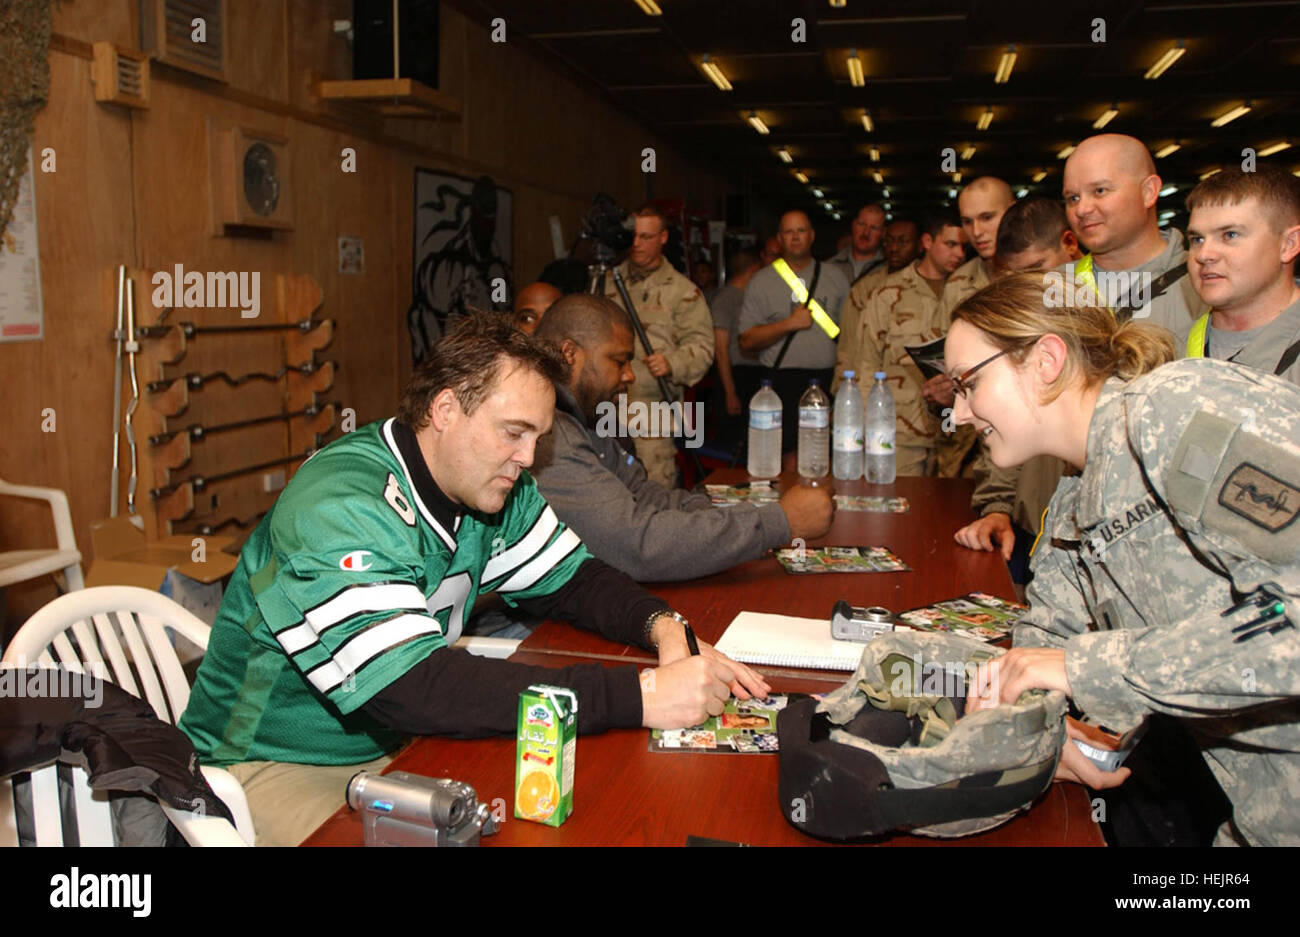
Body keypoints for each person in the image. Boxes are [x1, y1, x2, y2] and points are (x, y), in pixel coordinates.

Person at [179, 315, 766, 846]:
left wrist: (662, 626)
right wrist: (640, 697)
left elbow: (575, 580)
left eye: (538, 436)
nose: (529, 457)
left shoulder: (491, 485)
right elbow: (413, 686)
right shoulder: (339, 504)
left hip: (394, 743)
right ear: (444, 410)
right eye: (514, 432)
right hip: (265, 764)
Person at [950, 271, 1300, 846]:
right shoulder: (1075, 499)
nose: (960, 414)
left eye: (969, 384)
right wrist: (1043, 725)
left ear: (1046, 360)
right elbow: (1045, 642)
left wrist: (1082, 670)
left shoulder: (1174, 410)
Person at [957, 134, 1204, 567]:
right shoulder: (1050, 291)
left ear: (1150, 191)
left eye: (1100, 191)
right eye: (1072, 196)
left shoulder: (1203, 289)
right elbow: (1004, 400)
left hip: (1161, 545)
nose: (1083, 207)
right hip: (1049, 529)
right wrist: (997, 503)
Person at [526, 293, 832, 580]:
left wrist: (752, 520)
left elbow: (647, 498)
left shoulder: (584, 419)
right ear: (569, 354)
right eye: (619, 361)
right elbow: (637, 544)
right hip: (523, 626)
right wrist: (780, 523)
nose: (630, 375)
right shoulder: (549, 434)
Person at [954, 198, 1082, 573]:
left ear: (1070, 245)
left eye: (1039, 268)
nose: (1032, 282)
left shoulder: (1099, 315)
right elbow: (1003, 422)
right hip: (1030, 522)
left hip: (1086, 531)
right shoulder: (1024, 317)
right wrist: (997, 506)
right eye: (1016, 274)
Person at [844, 211, 967, 476]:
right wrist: (864, 429)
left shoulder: (971, 292)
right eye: (950, 244)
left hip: (959, 438)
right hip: (901, 433)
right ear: (927, 242)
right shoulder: (887, 294)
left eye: (963, 247)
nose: (959, 253)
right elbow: (865, 365)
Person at [602, 204, 715, 489]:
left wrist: (672, 362)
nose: (637, 244)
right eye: (633, 236)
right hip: (605, 410)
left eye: (646, 237)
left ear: (663, 238)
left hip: (651, 413)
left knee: (652, 496)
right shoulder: (607, 283)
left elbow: (703, 349)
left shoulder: (682, 291)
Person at [738, 210, 850, 454]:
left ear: (812, 236)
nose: (795, 237)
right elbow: (746, 340)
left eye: (801, 231)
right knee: (779, 456)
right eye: (789, 232)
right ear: (779, 239)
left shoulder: (836, 278)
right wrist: (788, 324)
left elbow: (852, 338)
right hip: (779, 381)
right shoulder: (761, 281)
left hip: (826, 381)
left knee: (822, 454)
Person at [927, 178, 1016, 478]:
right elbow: (942, 361)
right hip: (967, 451)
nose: (976, 232)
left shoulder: (1039, 276)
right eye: (968, 221)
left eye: (987, 218)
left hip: (1026, 447)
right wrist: (941, 390)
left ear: (1013, 212)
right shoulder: (957, 284)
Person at [1180, 165, 1300, 380]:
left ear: (1288, 244)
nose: (1204, 254)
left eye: (1230, 235)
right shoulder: (1170, 349)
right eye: (1197, 239)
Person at [834, 217, 922, 388]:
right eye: (888, 241)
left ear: (920, 245)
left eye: (903, 242)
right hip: (871, 387)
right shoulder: (865, 289)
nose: (894, 248)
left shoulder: (931, 287)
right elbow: (847, 347)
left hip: (914, 393)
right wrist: (843, 391)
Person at [710, 247, 763, 448]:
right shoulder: (725, 299)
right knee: (733, 442)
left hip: (752, 375)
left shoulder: (751, 298)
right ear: (753, 270)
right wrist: (730, 392)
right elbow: (721, 349)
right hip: (734, 376)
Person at [828, 204, 887, 286]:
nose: (866, 233)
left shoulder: (889, 269)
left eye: (874, 228)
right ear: (853, 225)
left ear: (883, 233)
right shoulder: (829, 267)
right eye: (862, 224)